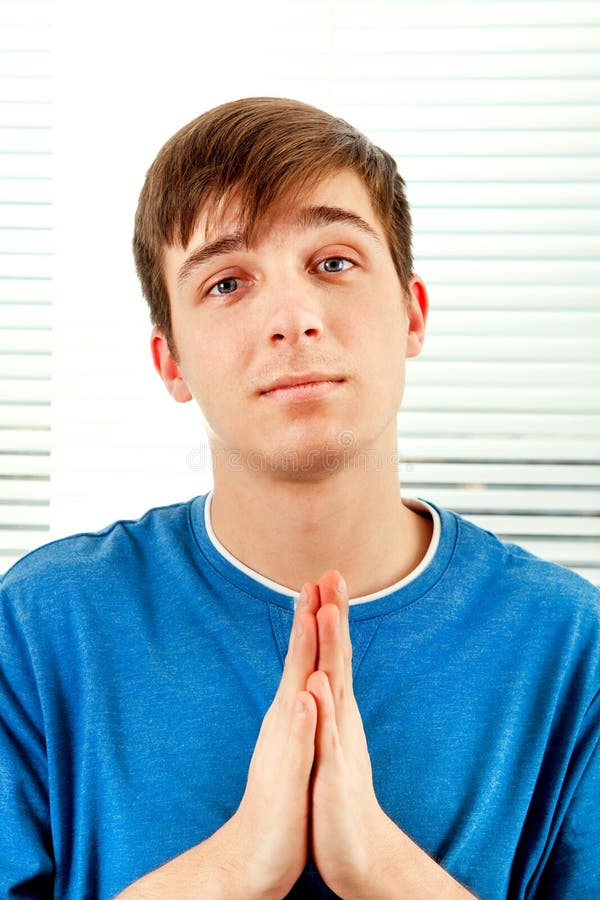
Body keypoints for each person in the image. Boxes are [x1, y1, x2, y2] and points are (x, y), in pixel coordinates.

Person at [1, 97, 599, 900]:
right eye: (226, 282)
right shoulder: (42, 627)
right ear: (170, 361)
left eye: (333, 263)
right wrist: (239, 864)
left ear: (412, 312)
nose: (293, 319)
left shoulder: (570, 649)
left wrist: (381, 870)